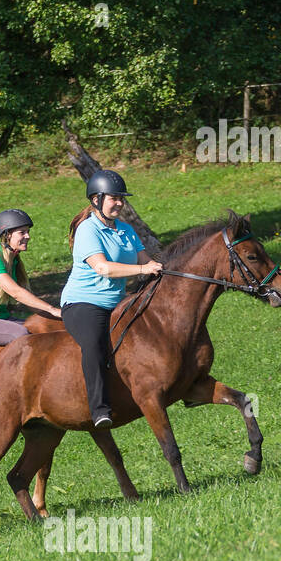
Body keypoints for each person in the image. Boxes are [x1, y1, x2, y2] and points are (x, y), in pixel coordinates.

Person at [59, 170, 163, 429]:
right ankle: (100, 410)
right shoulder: (87, 230)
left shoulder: (126, 230)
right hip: (84, 303)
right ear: (96, 200)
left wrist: (158, 268)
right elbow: (103, 268)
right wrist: (142, 271)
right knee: (94, 345)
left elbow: (144, 260)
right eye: (113, 198)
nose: (119, 203)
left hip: (117, 301)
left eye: (121, 199)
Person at [0, 208, 61, 345]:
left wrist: (55, 317)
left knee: (43, 329)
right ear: (7, 235)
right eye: (22, 232)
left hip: (3, 319)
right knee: (20, 333)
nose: (28, 236)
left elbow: (28, 298)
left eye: (28, 232)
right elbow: (16, 293)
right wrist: (52, 309)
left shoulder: (14, 261)